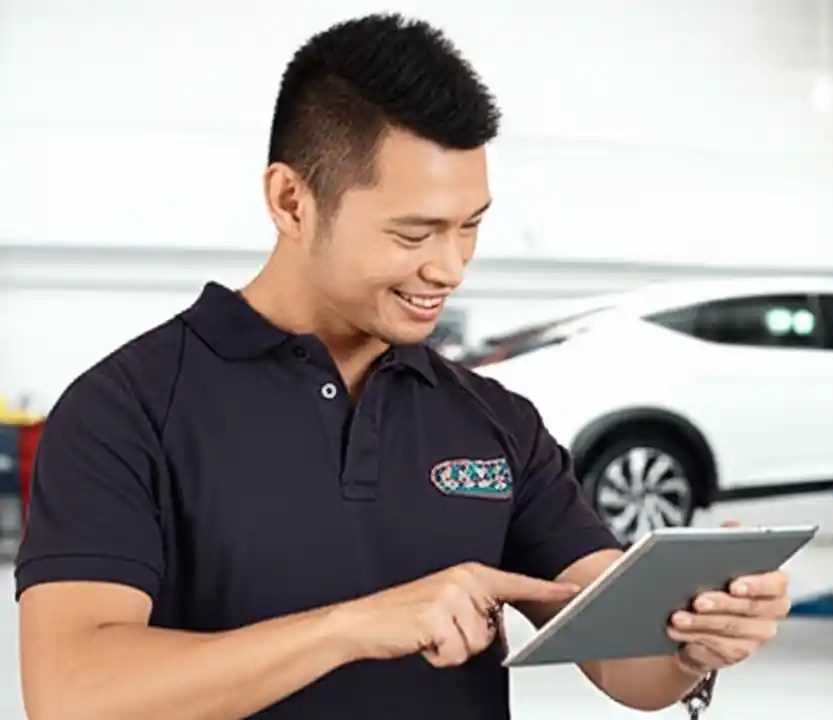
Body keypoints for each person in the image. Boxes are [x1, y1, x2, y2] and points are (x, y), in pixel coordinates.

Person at [13, 12, 792, 719]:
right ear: (291, 202)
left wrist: (692, 638)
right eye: (414, 234)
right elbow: (75, 696)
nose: (450, 268)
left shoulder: (494, 421)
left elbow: (626, 662)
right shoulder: (126, 411)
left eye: (470, 228)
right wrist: (356, 626)